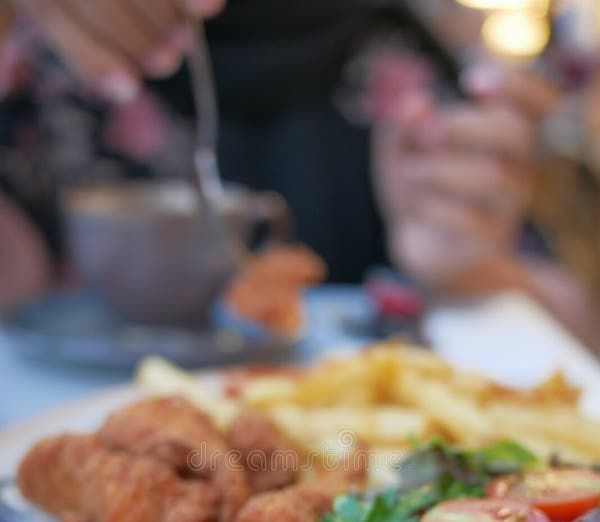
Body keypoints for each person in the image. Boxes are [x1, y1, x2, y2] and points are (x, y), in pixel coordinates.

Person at [0, 0, 589, 340]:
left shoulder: (412, 60)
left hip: (346, 462)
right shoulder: (38, 47)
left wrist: (470, 274)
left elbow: (576, 330)